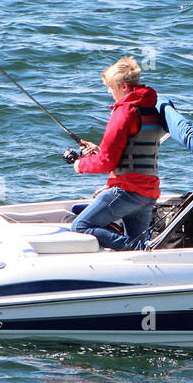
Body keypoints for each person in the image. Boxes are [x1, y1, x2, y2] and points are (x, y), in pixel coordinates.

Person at [62, 56, 162, 251]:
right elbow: (133, 149)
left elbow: (107, 162)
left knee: (81, 226)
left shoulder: (124, 113)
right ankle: (143, 255)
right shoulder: (149, 108)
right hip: (148, 192)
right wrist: (98, 151)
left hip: (127, 191)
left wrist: (80, 165)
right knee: (134, 242)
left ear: (124, 86)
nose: (109, 91)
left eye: (111, 86)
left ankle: (139, 250)